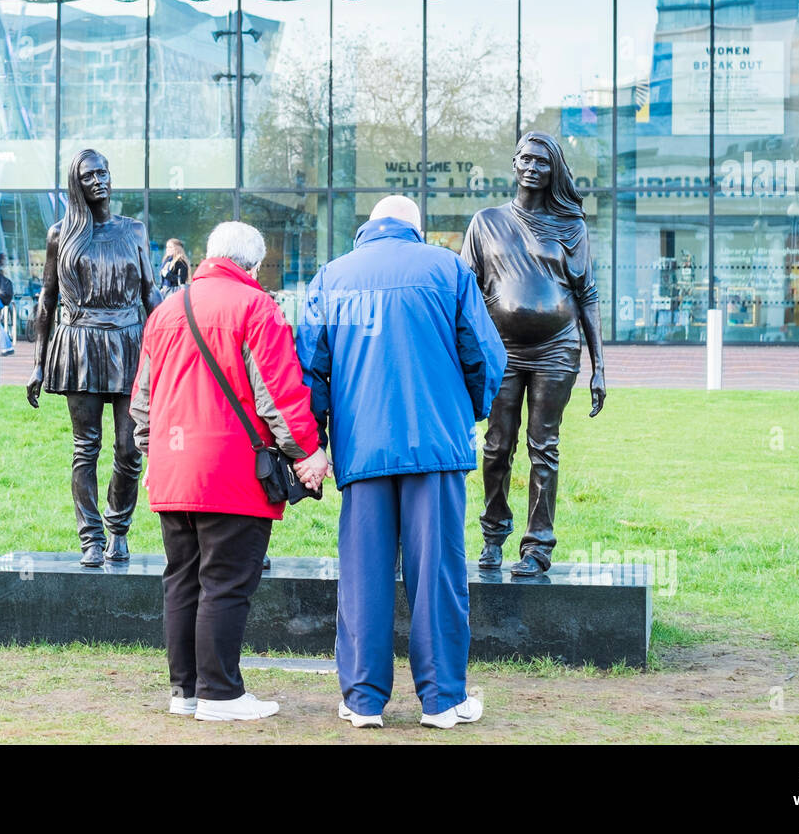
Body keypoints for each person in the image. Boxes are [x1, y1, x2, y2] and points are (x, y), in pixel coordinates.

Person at [297, 195, 506, 729]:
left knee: (363, 575)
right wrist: (467, 410)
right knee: (437, 574)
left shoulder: (331, 277)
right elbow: (485, 355)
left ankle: (363, 700)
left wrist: (317, 438)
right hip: (433, 443)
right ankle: (442, 699)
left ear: (370, 225)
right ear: (416, 227)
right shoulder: (448, 269)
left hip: (363, 445)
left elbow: (310, 368)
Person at [130, 221, 328, 722]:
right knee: (225, 583)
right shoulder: (256, 307)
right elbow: (278, 395)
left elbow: (142, 403)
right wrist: (307, 453)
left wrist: (154, 454)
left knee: (182, 580)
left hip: (174, 468)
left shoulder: (167, 310)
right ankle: (220, 694)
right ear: (253, 265)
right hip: (231, 471)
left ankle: (186, 691)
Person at [461, 131, 606, 577]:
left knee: (544, 447)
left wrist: (600, 367)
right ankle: (492, 536)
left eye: (542, 162)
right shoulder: (485, 222)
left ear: (553, 170)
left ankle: (538, 546)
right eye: (525, 158)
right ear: (514, 163)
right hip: (501, 349)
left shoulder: (571, 227)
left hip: (557, 347)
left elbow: (588, 296)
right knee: (496, 445)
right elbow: (465, 292)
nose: (532, 167)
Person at [27, 150, 160, 565]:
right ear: (77, 184)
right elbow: (47, 299)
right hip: (80, 343)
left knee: (129, 447)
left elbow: (150, 292)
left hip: (128, 342)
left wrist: (169, 345)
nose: (99, 180)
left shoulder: (133, 230)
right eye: (89, 176)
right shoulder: (60, 234)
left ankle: (118, 528)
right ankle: (91, 538)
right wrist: (38, 362)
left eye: (103, 172)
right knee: (86, 447)